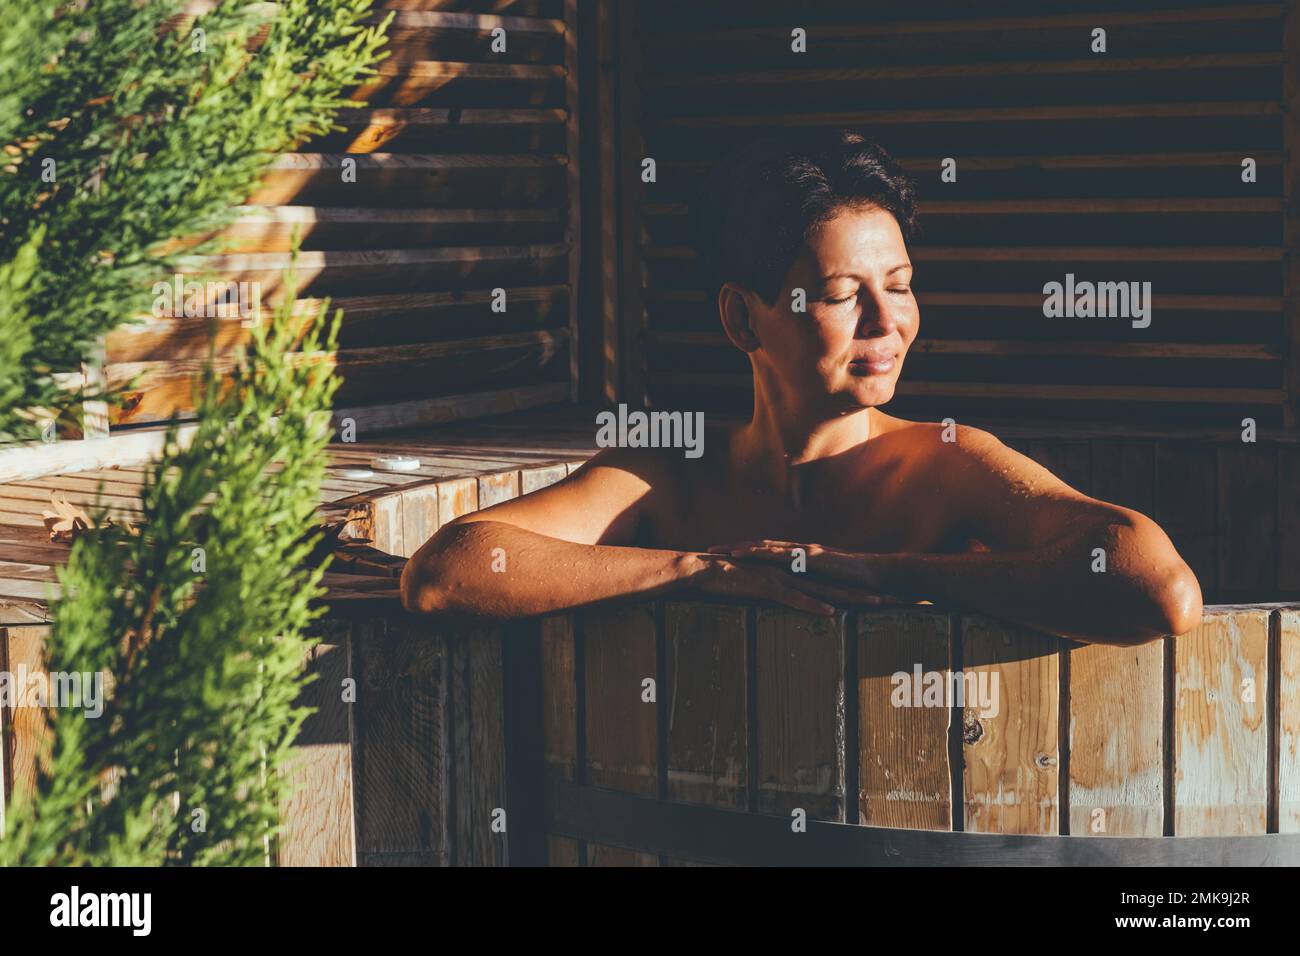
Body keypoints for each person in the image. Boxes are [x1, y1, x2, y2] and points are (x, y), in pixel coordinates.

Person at [401, 130, 1202, 645]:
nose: (888, 322)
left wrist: (884, 572)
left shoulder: (947, 464)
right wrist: (700, 571)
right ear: (743, 321)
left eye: (902, 284)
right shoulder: (667, 472)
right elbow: (449, 572)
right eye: (842, 294)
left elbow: (1158, 589)